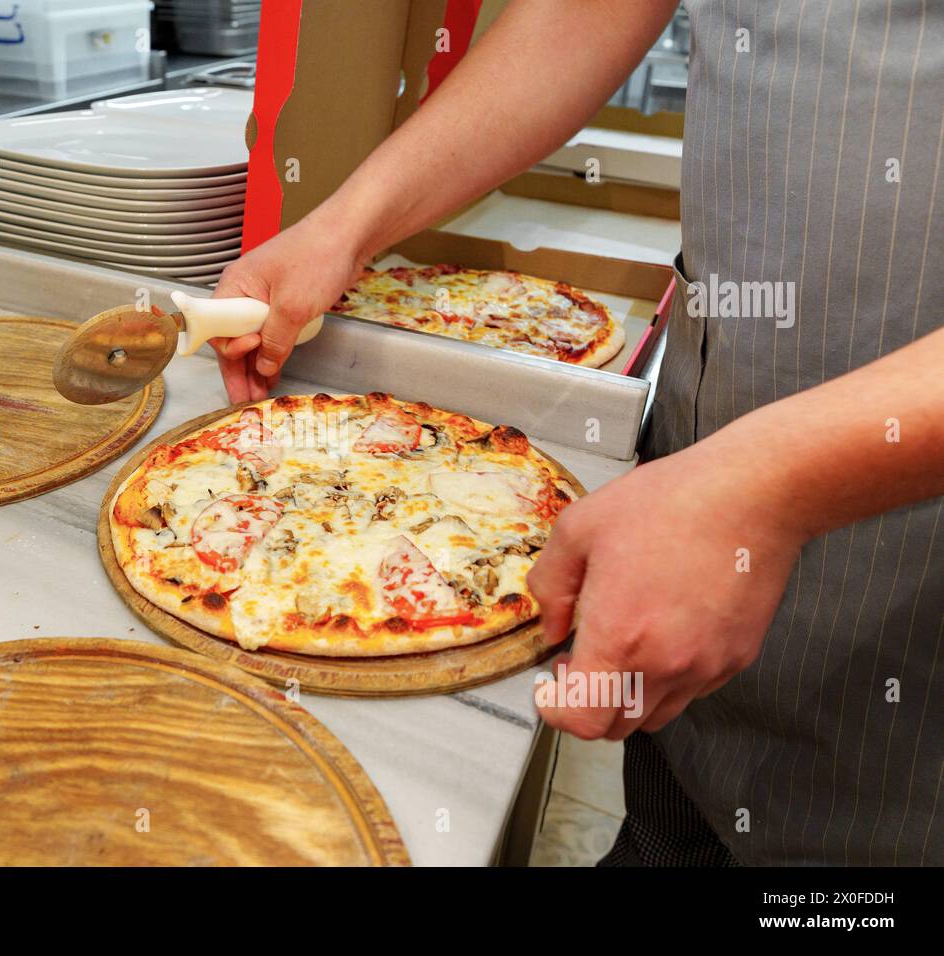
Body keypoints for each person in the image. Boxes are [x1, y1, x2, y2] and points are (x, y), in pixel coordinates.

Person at [207, 0, 943, 865]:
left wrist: (769, 488)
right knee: (677, 822)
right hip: (695, 484)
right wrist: (342, 227)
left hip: (907, 605)